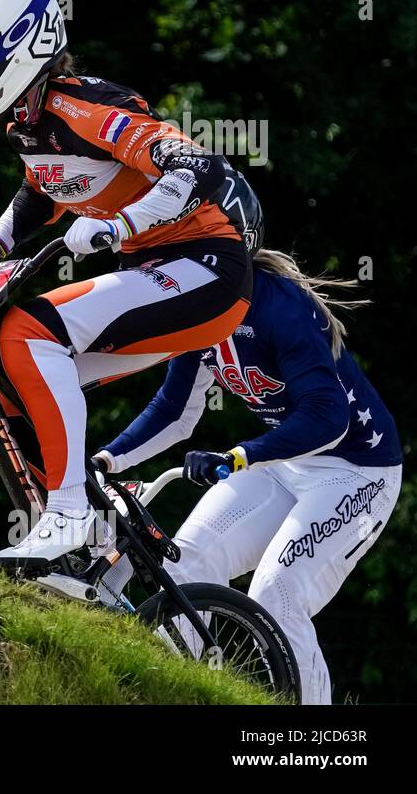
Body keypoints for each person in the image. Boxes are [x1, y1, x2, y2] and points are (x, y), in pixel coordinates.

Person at [0, 0, 253, 567]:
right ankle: (102, 541)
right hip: (166, 273)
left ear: (18, 48)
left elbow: (196, 167)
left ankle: (70, 512)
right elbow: (41, 194)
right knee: (6, 375)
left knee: (28, 330)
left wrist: (118, 226)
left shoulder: (80, 107)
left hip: (205, 266)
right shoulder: (27, 123)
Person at [94, 249, 402, 704]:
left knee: (278, 594)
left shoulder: (280, 306)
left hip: (357, 470)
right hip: (284, 462)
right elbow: (175, 409)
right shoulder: (199, 307)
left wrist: (240, 455)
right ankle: (174, 694)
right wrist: (106, 460)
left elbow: (326, 417)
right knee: (184, 565)